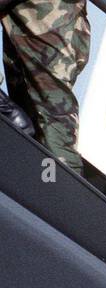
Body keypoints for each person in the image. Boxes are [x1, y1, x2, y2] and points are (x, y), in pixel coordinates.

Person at [1, 0, 90, 173]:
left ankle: (63, 191)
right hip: (35, 23)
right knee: (36, 118)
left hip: (49, 25)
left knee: (53, 130)